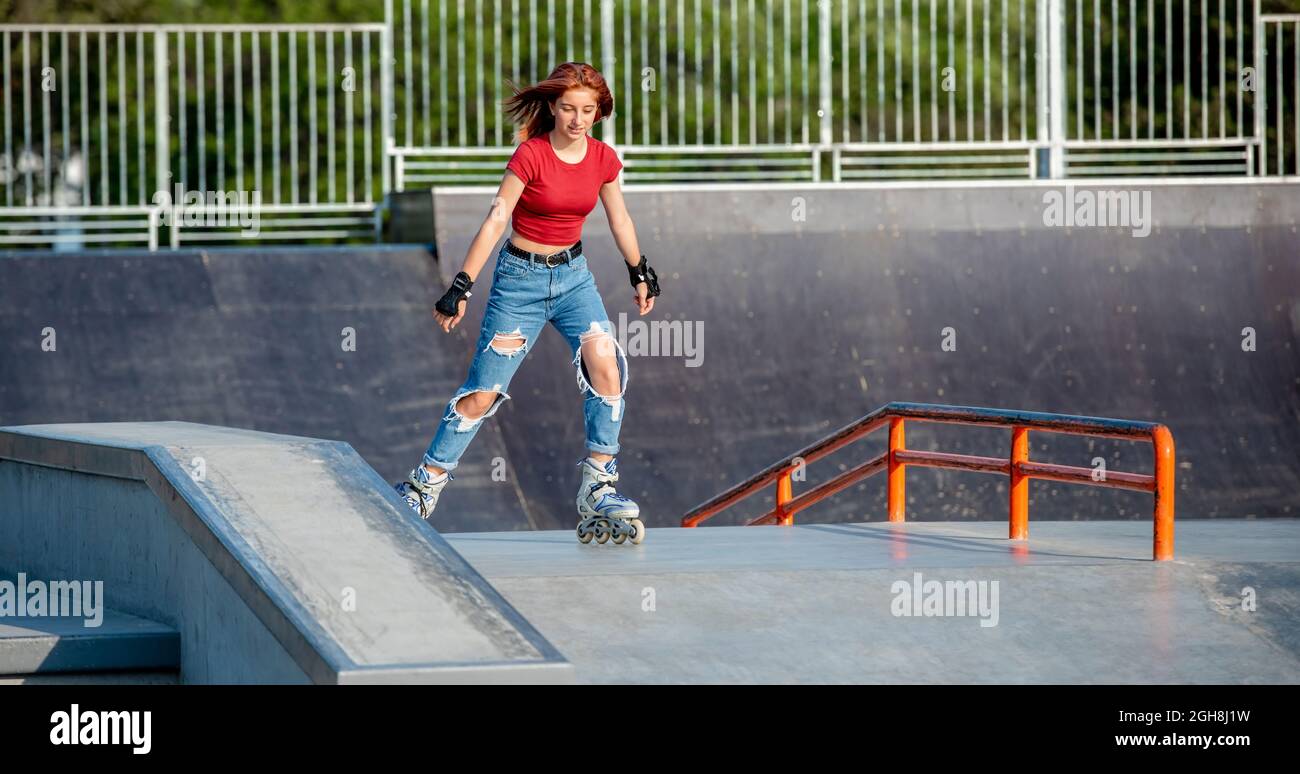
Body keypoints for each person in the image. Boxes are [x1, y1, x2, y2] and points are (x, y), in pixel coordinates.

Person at [395, 62, 662, 545]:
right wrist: (462, 284)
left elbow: (619, 219)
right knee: (484, 392)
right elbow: (497, 218)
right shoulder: (532, 155)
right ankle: (422, 485)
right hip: (519, 281)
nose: (577, 119)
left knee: (607, 366)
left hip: (575, 279)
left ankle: (599, 485)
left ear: (599, 113)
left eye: (587, 110)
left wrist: (639, 269)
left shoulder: (604, 159)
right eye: (568, 109)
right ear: (553, 108)